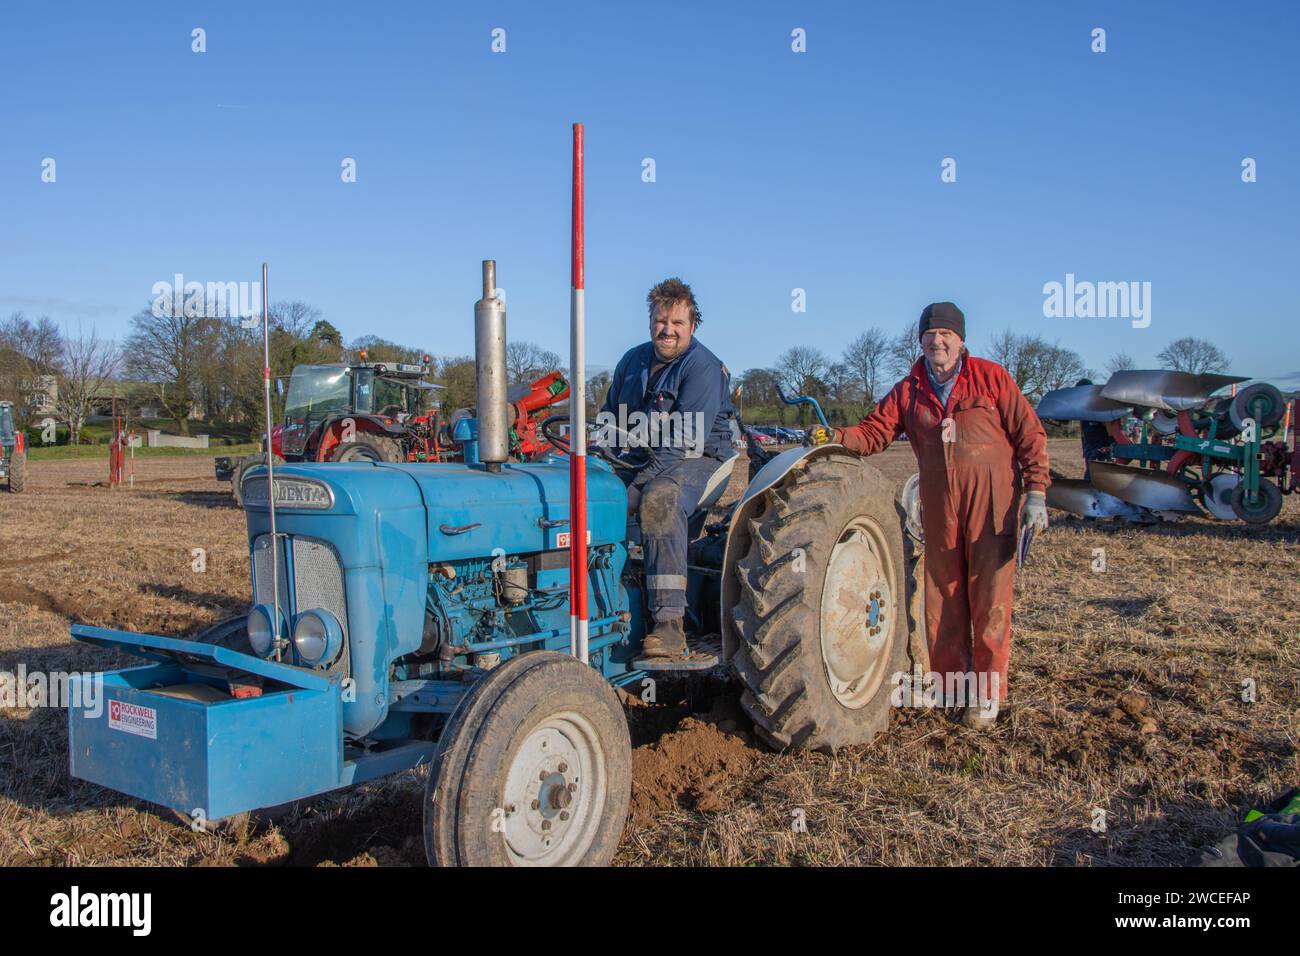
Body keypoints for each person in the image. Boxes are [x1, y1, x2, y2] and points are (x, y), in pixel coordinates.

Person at [809, 302, 1049, 728]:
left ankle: (987, 694)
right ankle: (952, 687)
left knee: (989, 596)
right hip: (940, 506)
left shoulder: (991, 379)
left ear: (960, 340)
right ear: (920, 341)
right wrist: (836, 436)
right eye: (929, 335)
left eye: (945, 335)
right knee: (943, 597)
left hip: (992, 505)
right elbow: (874, 432)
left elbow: (1030, 434)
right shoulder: (910, 390)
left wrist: (1036, 493)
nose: (937, 342)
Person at [600, 278, 737, 658]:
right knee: (588, 490)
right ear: (650, 322)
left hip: (701, 458)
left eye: (677, 323)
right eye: (661, 321)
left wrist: (636, 489)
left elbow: (681, 443)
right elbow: (611, 421)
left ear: (692, 326)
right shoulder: (631, 362)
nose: (668, 330)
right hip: (645, 456)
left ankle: (668, 624)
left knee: (660, 499)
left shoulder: (703, 368)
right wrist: (600, 465)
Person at [1074, 377, 1113, 480]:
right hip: (1089, 448)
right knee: (1090, 474)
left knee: (1095, 476)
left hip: (1100, 448)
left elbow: (1109, 425)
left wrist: (1110, 443)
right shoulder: (1083, 410)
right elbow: (1084, 432)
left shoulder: (1099, 407)